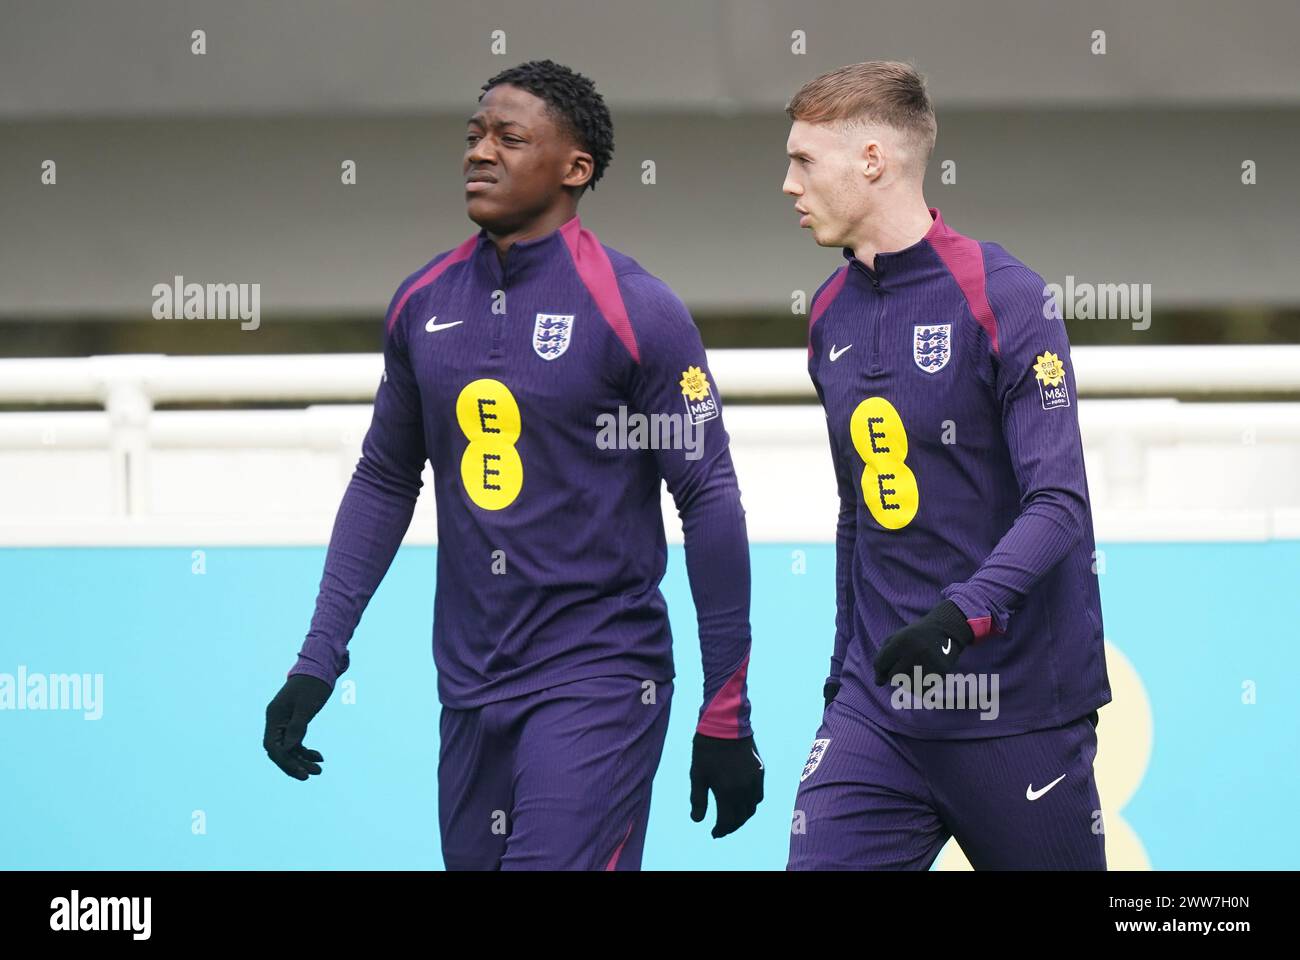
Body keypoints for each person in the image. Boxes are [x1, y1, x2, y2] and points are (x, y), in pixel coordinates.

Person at [263, 59, 762, 870]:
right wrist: (318, 658)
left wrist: (726, 708)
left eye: (509, 137)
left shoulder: (638, 310)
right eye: (473, 135)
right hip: (467, 688)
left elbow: (709, 500)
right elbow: (385, 480)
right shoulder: (421, 303)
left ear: (576, 168)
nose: (480, 152)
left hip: (600, 679)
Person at [782, 60, 1110, 869]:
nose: (787, 184)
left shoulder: (1006, 296)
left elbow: (1059, 505)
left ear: (871, 159)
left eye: (802, 161)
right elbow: (857, 511)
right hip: (878, 712)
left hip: (1018, 710)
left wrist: (959, 617)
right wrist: (840, 676)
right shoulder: (826, 316)